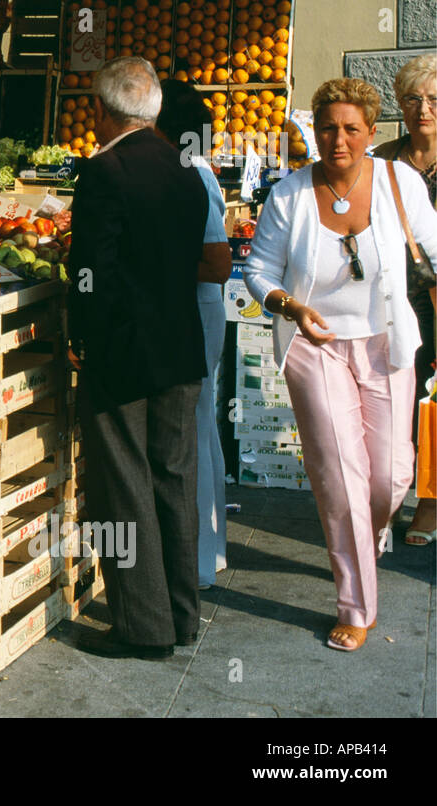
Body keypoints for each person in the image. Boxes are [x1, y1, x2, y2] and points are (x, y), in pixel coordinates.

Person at [244, 77, 437, 652]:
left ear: (371, 132)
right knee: (341, 477)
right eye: (327, 127)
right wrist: (290, 305)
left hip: (388, 342)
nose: (338, 139)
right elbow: (259, 272)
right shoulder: (289, 195)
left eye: (351, 128)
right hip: (315, 344)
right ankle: (356, 605)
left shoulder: (399, 181)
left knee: (391, 475)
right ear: (315, 130)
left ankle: (369, 531)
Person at [68, 57, 209, 661]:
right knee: (173, 480)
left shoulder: (105, 171)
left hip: (123, 350)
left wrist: (82, 336)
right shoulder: (185, 169)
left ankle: (141, 626)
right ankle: (181, 616)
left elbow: (92, 270)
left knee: (122, 484)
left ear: (104, 112)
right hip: (180, 345)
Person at [157, 80, 233, 590]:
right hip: (194, 310)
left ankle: (199, 561)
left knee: (194, 424)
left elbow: (218, 263)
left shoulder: (192, 175)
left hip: (195, 309)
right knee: (201, 420)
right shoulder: (191, 170)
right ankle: (212, 551)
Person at [371, 54, 437, 546]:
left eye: (434, 99)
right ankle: (390, 494)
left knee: (435, 399)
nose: (424, 109)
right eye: (413, 99)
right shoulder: (383, 160)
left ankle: (429, 503)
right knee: (397, 397)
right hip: (394, 298)